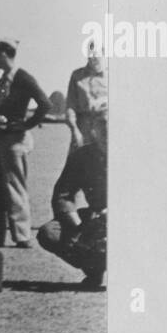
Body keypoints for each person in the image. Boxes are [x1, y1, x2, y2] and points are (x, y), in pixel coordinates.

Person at [0, 37, 50, 247]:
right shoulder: (2, 80)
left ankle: (22, 236)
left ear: (4, 53)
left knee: (14, 187)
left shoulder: (22, 78)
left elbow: (44, 104)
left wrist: (22, 126)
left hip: (13, 144)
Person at [37, 114, 107, 289]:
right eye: (102, 127)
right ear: (93, 130)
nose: (107, 132)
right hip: (96, 218)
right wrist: (79, 228)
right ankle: (94, 270)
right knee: (50, 233)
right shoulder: (82, 157)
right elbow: (63, 195)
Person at [65, 42, 107, 152]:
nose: (92, 57)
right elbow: (71, 106)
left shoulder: (113, 76)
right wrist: (75, 130)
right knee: (77, 166)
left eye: (96, 54)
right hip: (83, 131)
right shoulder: (77, 76)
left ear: (104, 54)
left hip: (105, 132)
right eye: (90, 54)